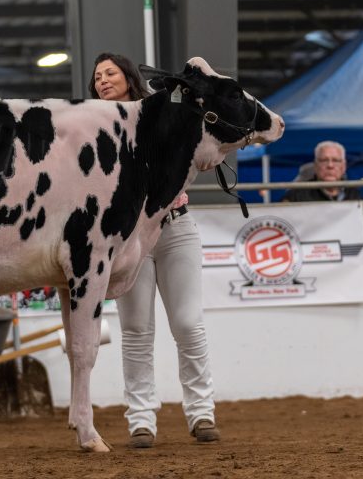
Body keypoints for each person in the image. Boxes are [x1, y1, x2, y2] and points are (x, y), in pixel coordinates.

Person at [90, 52, 220, 448]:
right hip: (126, 236)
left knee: (187, 322)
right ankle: (141, 420)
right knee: (135, 330)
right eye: (97, 77)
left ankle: (202, 413)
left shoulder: (160, 114)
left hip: (175, 225)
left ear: (129, 78)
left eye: (110, 73)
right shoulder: (93, 125)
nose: (102, 81)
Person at [281, 141, 359, 202]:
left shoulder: (354, 194)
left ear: (343, 166)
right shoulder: (296, 195)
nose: (330, 165)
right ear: (315, 165)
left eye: (335, 160)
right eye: (324, 160)